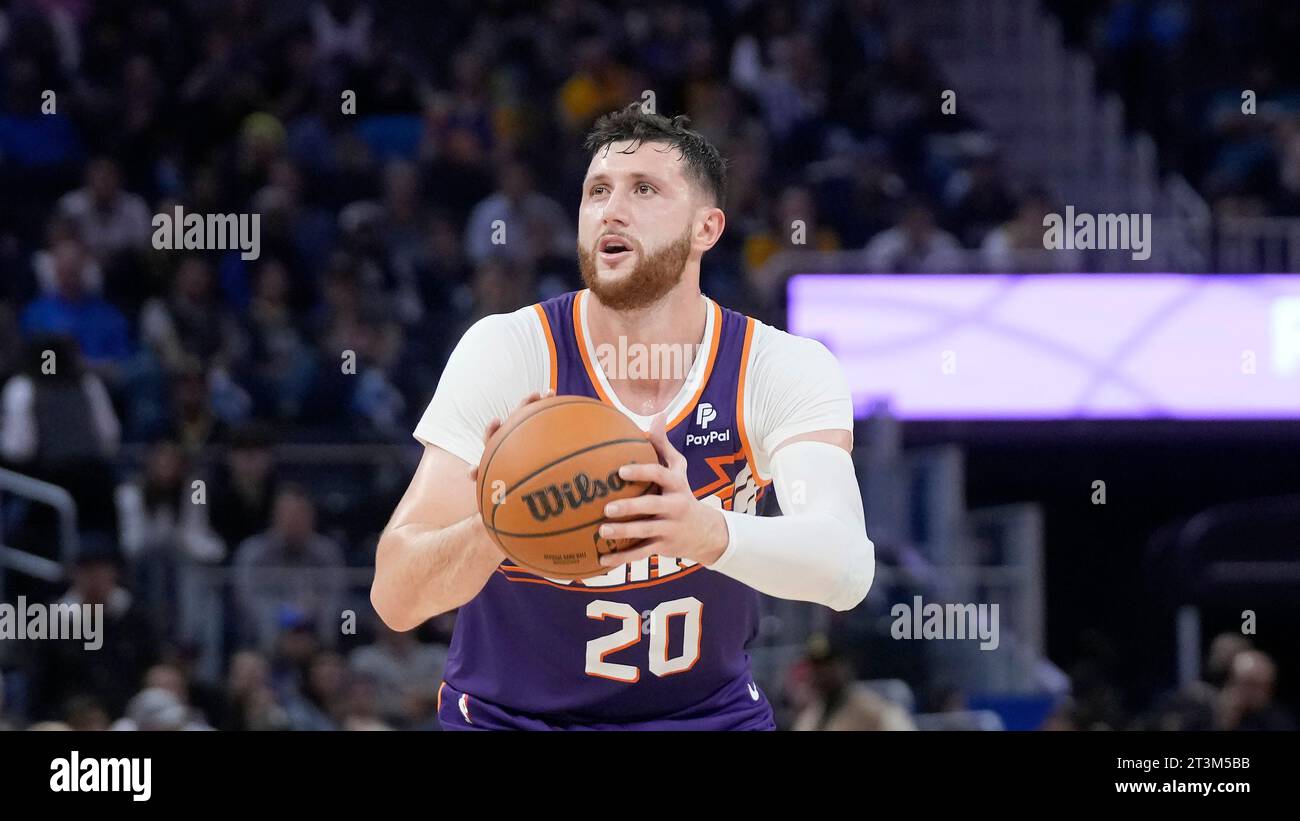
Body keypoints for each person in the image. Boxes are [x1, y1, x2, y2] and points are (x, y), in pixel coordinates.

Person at [371, 105, 876, 730]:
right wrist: (494, 526)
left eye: (645, 190)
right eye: (597, 191)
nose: (611, 209)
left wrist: (700, 530)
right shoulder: (509, 352)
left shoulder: (776, 367)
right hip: (513, 720)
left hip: (703, 717)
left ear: (706, 229)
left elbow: (847, 568)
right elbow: (394, 597)